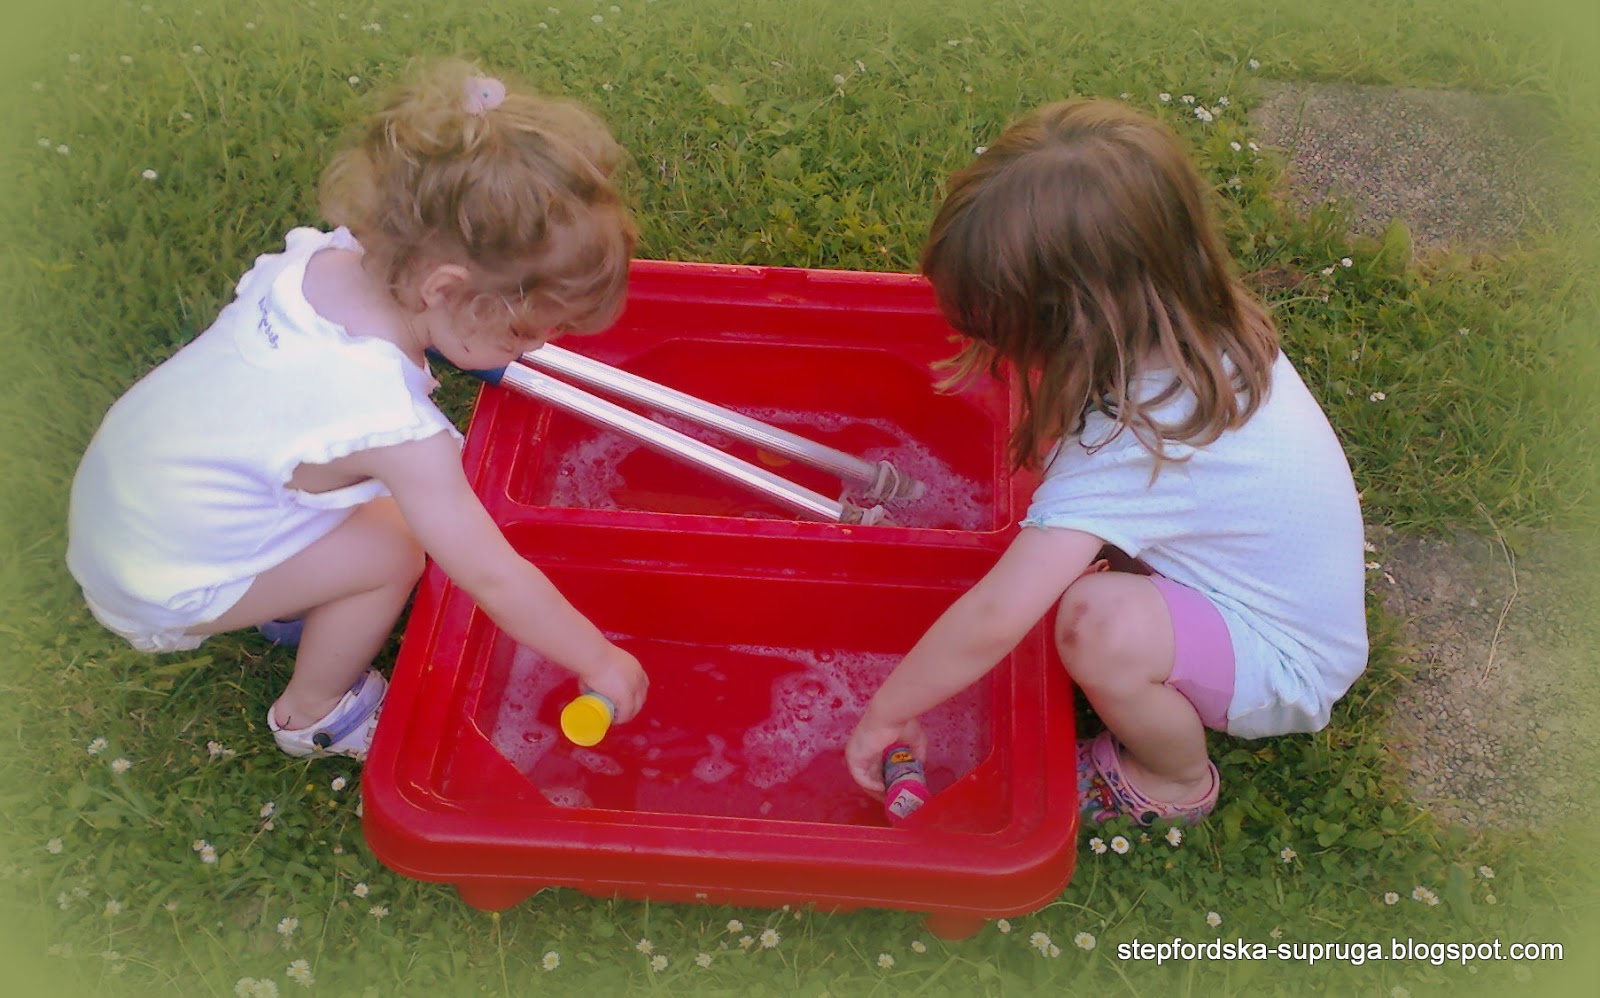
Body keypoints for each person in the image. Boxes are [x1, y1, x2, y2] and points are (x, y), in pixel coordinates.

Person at [66, 59, 648, 760]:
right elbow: (491, 572)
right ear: (443, 287)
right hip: (164, 579)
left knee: (361, 503)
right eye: (522, 332)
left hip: (128, 506)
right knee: (394, 545)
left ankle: (287, 594)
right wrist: (598, 658)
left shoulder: (315, 265)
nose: (530, 352)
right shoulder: (394, 430)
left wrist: (485, 334)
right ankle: (313, 713)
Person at [844, 99, 1368, 825]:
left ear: (1074, 322)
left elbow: (997, 618)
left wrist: (886, 713)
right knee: (1085, 587)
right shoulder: (1189, 329)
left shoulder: (1143, 443)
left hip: (1285, 662)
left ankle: (1173, 781)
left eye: (1006, 330)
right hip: (1251, 586)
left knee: (1096, 622)